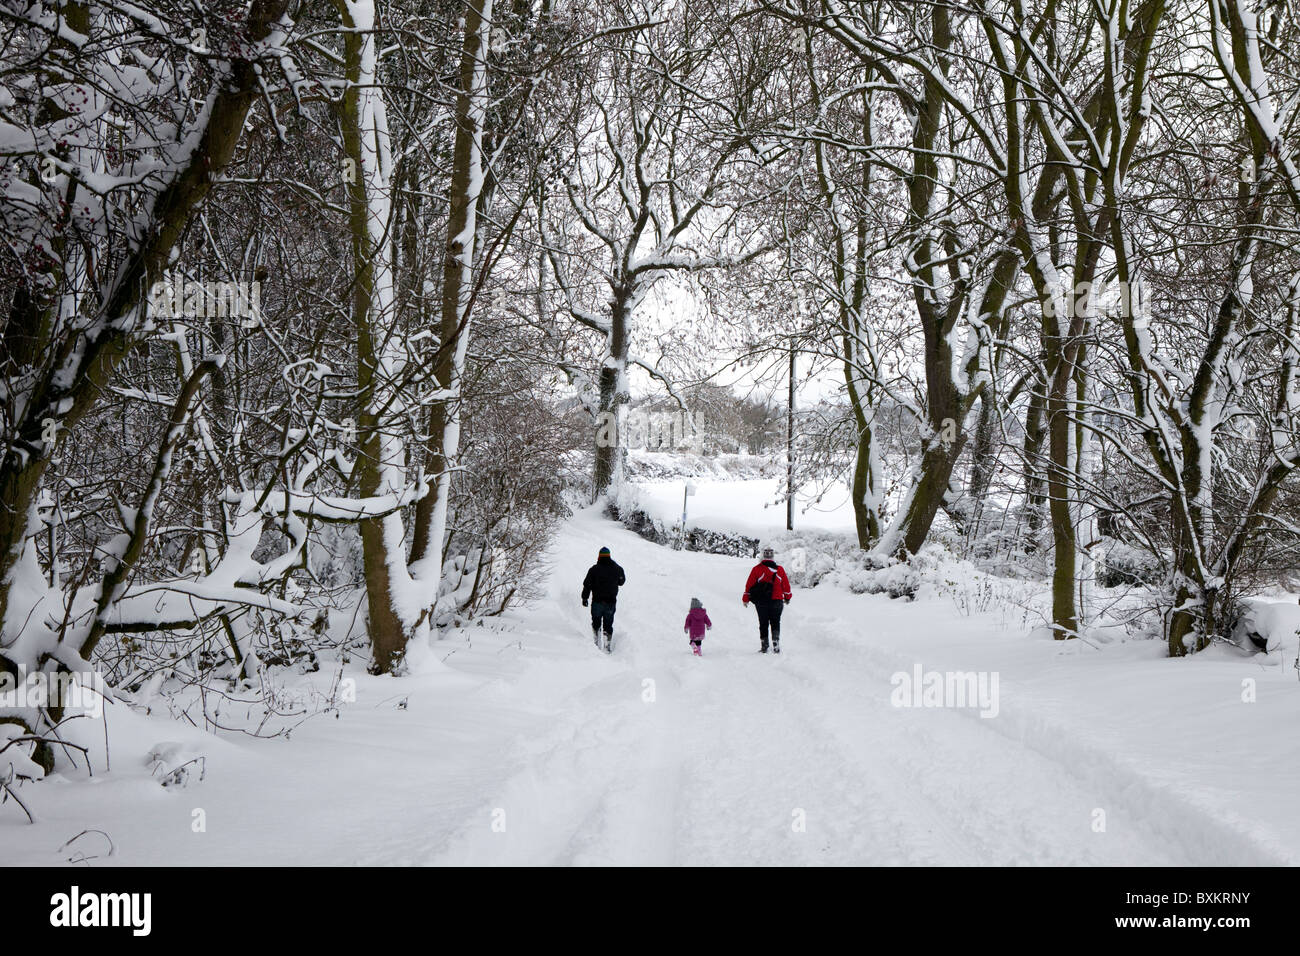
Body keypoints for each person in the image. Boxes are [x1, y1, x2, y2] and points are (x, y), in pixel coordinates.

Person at [742, 547, 792, 654]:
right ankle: (776, 644)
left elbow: (749, 585)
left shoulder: (756, 569)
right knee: (775, 622)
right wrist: (787, 597)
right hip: (777, 601)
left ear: (763, 556)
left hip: (761, 602)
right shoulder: (780, 570)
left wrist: (745, 599)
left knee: (763, 623)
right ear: (773, 556)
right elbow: (786, 586)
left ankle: (764, 646)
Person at [581, 546, 626, 652]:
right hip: (610, 602)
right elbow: (621, 582)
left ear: (599, 556)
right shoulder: (617, 569)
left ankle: (596, 644)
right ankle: (607, 647)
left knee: (596, 623)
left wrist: (585, 598)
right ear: (609, 556)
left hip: (597, 601)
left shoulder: (594, 569)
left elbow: (587, 585)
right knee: (608, 625)